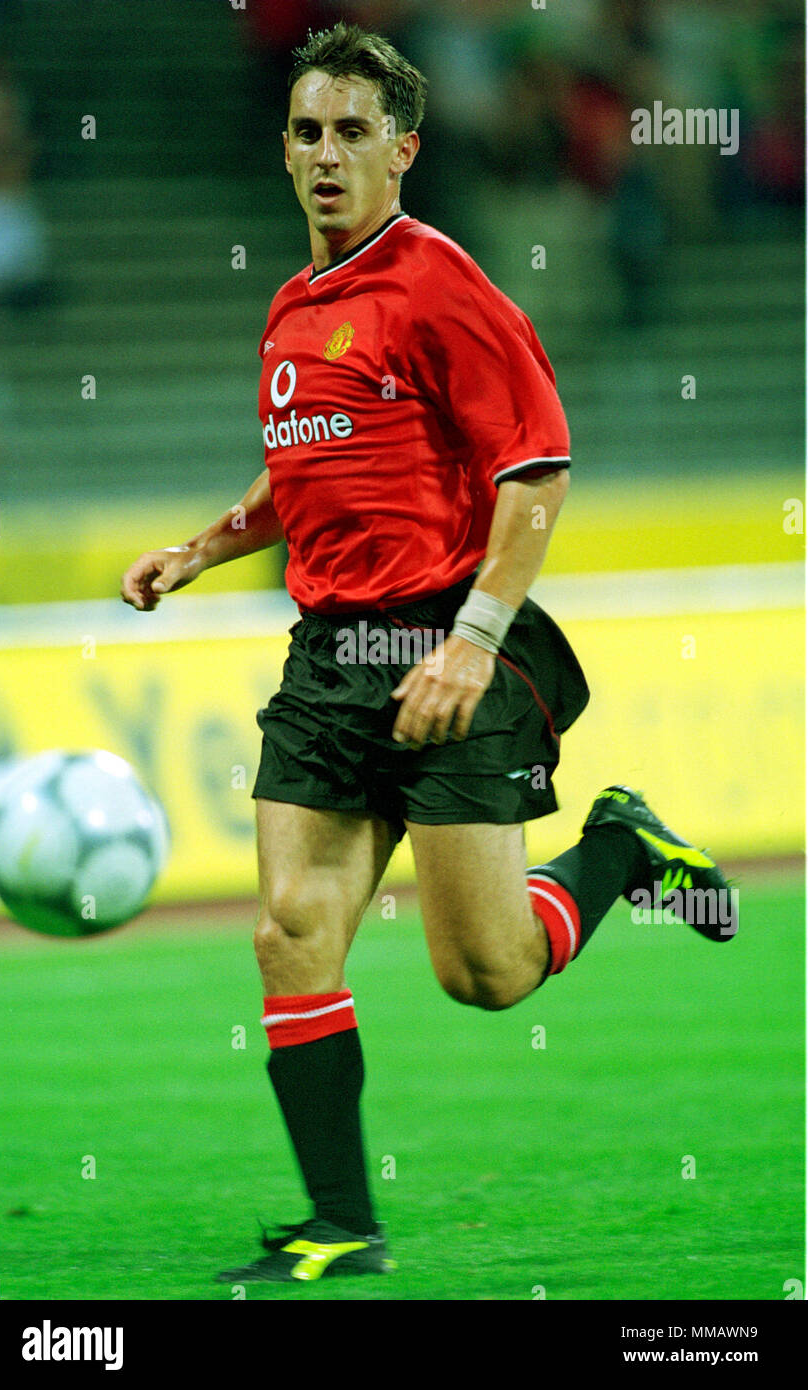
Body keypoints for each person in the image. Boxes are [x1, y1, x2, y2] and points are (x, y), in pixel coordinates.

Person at [121, 22, 736, 1286]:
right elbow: (303, 476)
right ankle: (341, 1222)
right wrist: (199, 549)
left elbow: (537, 469)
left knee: (486, 973)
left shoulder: (440, 282)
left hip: (446, 648)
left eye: (353, 131)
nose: (327, 154)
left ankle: (621, 844)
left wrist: (470, 639)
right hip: (327, 663)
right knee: (291, 931)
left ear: (404, 149)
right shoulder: (293, 309)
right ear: (284, 152)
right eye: (306, 131)